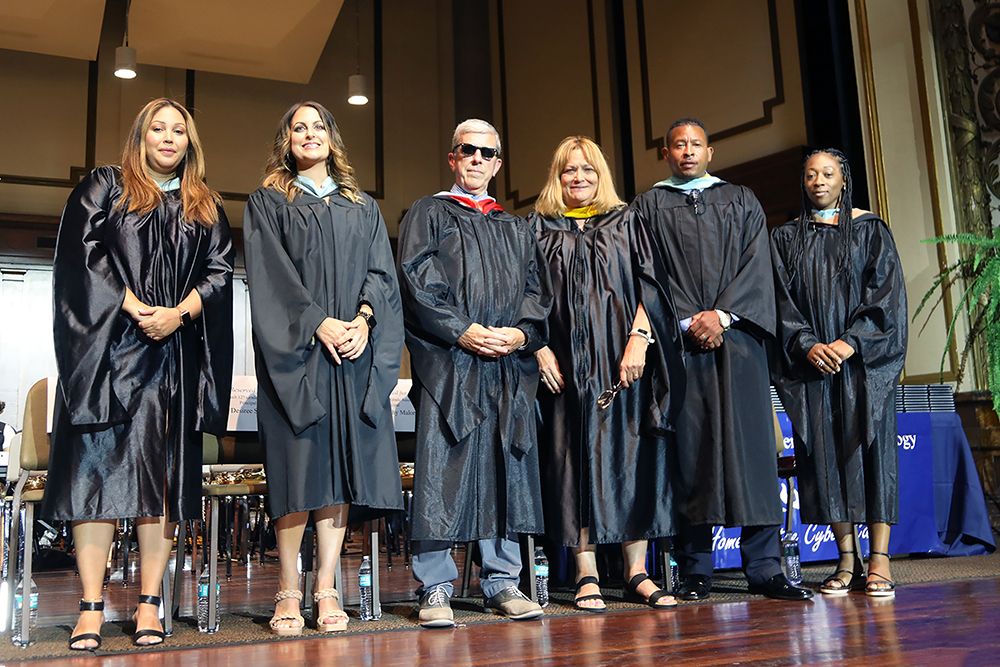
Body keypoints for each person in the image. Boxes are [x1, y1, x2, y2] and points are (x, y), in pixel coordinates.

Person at [42, 98, 234, 650]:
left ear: (189, 142)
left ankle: (151, 601)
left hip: (173, 355)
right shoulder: (105, 187)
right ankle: (91, 605)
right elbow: (82, 257)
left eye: (179, 130)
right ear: (141, 135)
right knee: (96, 477)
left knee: (164, 479)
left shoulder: (204, 205)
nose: (169, 137)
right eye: (158, 127)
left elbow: (221, 272)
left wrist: (179, 312)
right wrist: (132, 306)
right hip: (106, 351)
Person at [630, 118, 812, 602]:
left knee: (753, 452)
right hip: (682, 346)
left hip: (740, 344)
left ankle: (766, 568)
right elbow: (646, 275)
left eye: (696, 145)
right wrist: (688, 321)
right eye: (678, 146)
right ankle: (695, 570)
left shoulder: (741, 199)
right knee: (691, 454)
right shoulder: (648, 206)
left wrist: (724, 315)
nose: (687, 152)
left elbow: (759, 266)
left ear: (710, 152)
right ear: (665, 154)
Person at [243, 101, 404, 635]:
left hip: (351, 353)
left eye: (318, 127)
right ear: (286, 141)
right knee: (296, 466)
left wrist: (361, 320)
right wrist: (318, 323)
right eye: (298, 128)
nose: (308, 135)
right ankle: (288, 587)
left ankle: (327, 587)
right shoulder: (269, 202)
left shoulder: (361, 206)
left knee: (336, 468)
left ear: (332, 139)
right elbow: (271, 278)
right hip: (298, 354)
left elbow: (381, 274)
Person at [397, 119, 552, 628]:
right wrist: (461, 331)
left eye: (487, 153)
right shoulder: (429, 212)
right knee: (443, 471)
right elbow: (418, 283)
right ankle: (435, 586)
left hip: (505, 365)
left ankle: (502, 581)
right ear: (452, 157)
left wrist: (521, 336)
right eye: (468, 150)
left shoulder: (513, 225)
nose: (477, 159)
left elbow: (537, 293)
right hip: (451, 364)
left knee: (504, 468)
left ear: (498, 163)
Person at [528, 136, 685, 612]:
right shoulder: (537, 228)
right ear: (557, 177)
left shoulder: (626, 220)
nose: (578, 178)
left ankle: (637, 573)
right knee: (570, 459)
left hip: (623, 364)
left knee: (631, 457)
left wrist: (640, 339)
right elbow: (524, 294)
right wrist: (538, 348)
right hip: (566, 366)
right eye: (569, 170)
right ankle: (586, 572)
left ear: (602, 176)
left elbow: (652, 285)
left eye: (588, 170)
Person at [771, 149, 907, 597]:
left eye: (827, 173)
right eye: (810, 174)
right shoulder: (786, 238)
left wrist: (850, 343)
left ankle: (880, 561)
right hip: (814, 368)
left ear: (844, 179)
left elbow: (886, 297)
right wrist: (808, 345)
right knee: (825, 460)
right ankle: (846, 559)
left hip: (864, 368)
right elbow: (780, 302)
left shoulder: (870, 231)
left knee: (873, 455)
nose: (818, 181)